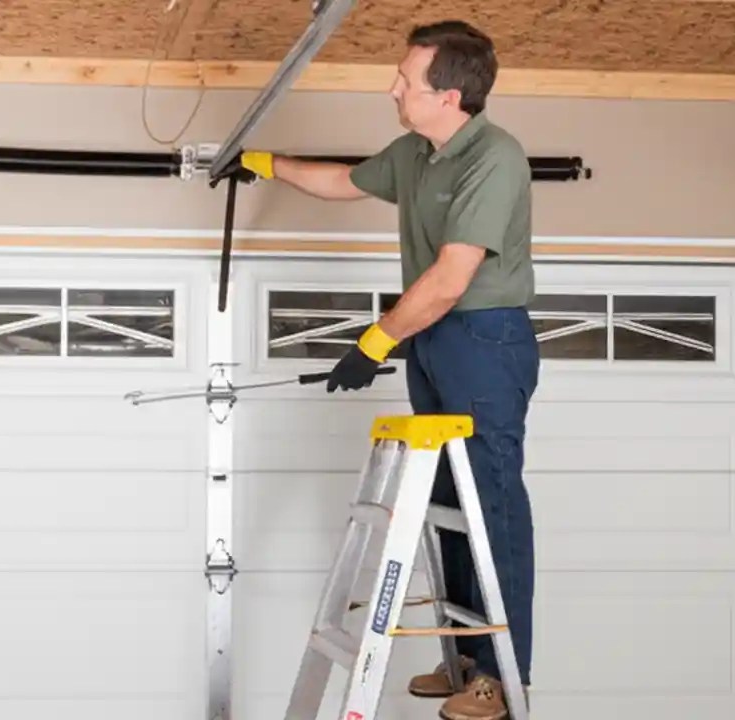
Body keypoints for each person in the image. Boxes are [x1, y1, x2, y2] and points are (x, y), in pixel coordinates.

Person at [219, 19, 539, 720]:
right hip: (435, 338)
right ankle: (462, 658)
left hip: (483, 339)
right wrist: (265, 164)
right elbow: (343, 180)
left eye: (406, 80)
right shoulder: (419, 152)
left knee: (491, 505)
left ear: (449, 95)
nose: (391, 87)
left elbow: (452, 279)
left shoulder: (495, 157)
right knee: (449, 507)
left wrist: (373, 342)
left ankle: (496, 675)